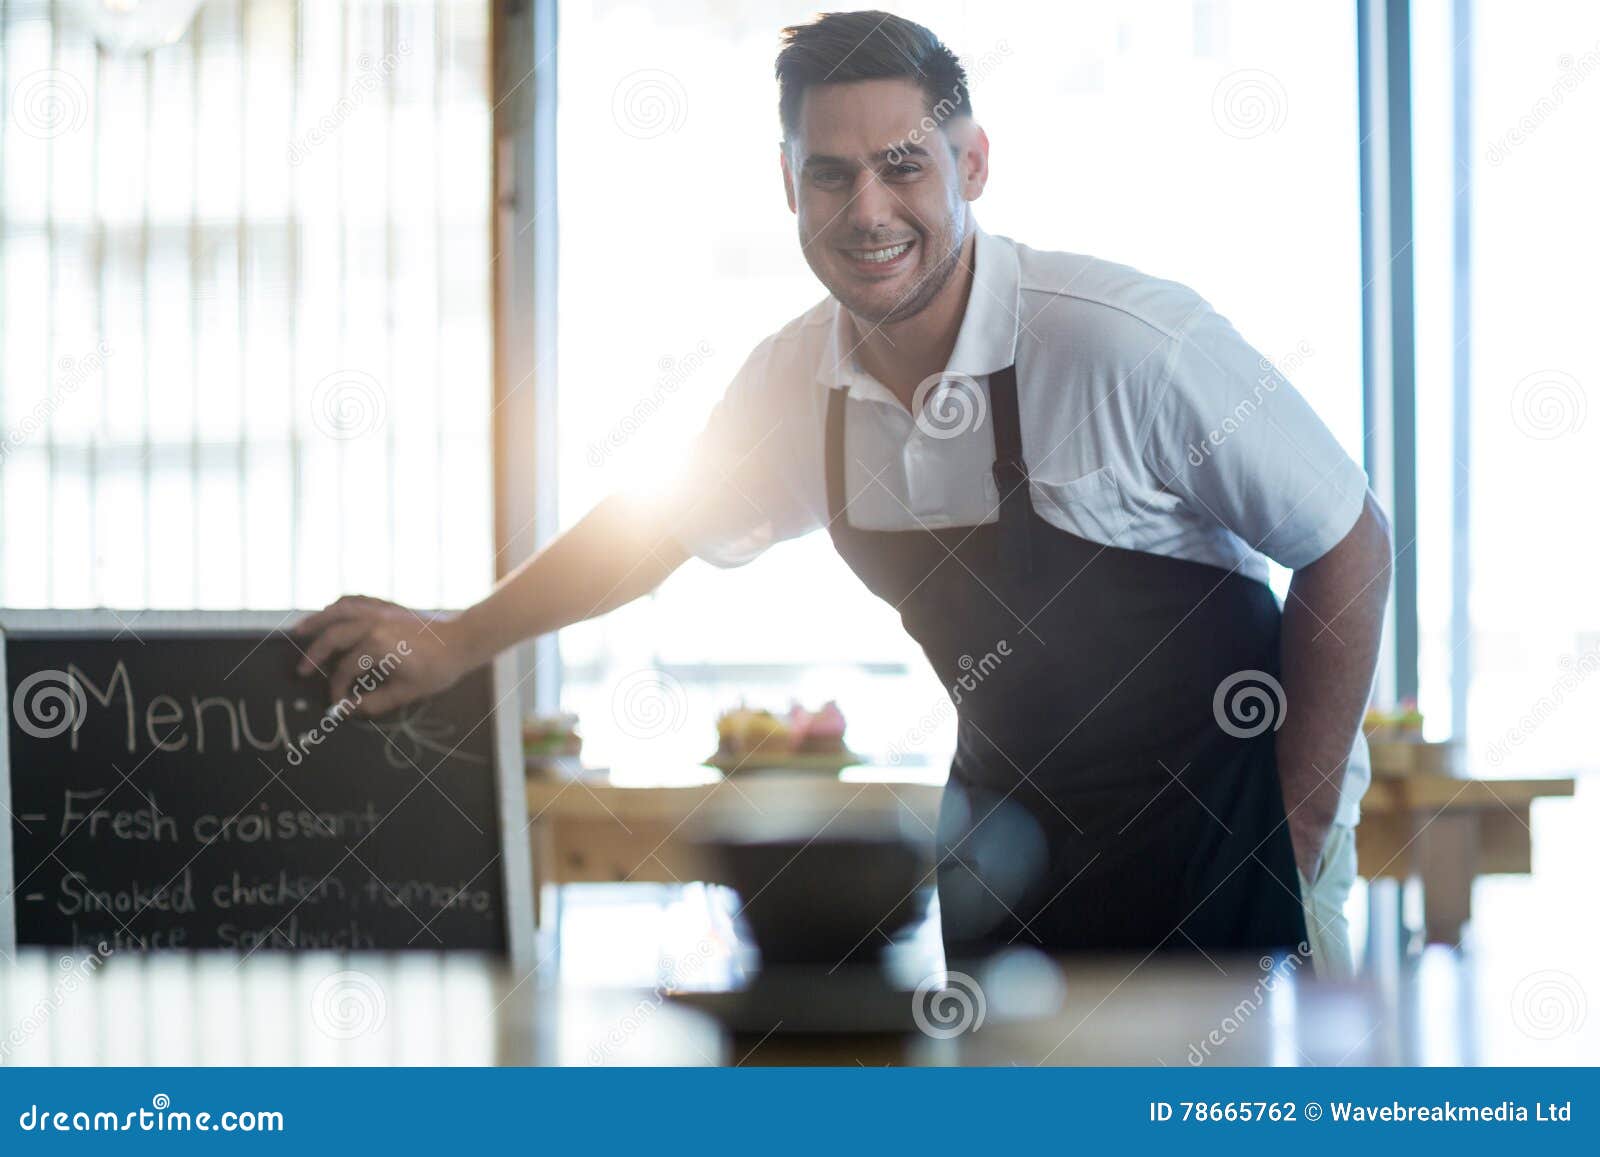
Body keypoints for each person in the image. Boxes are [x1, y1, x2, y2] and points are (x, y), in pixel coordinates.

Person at [297, 10, 1391, 978]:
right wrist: (458, 638)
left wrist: (1294, 833)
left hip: (1229, 842)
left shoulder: (1123, 345)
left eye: (904, 165)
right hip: (1010, 856)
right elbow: (648, 532)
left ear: (971, 164)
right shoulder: (793, 383)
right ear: (788, 185)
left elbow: (1348, 540)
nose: (868, 209)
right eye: (830, 173)